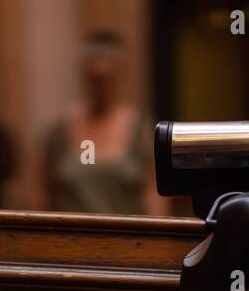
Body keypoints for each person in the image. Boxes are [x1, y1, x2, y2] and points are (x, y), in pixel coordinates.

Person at [41, 31, 162, 216]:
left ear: (120, 76)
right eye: (95, 79)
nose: (100, 87)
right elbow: (41, 194)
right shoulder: (60, 129)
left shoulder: (140, 129)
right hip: (69, 239)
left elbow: (153, 194)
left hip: (127, 237)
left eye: (107, 79)